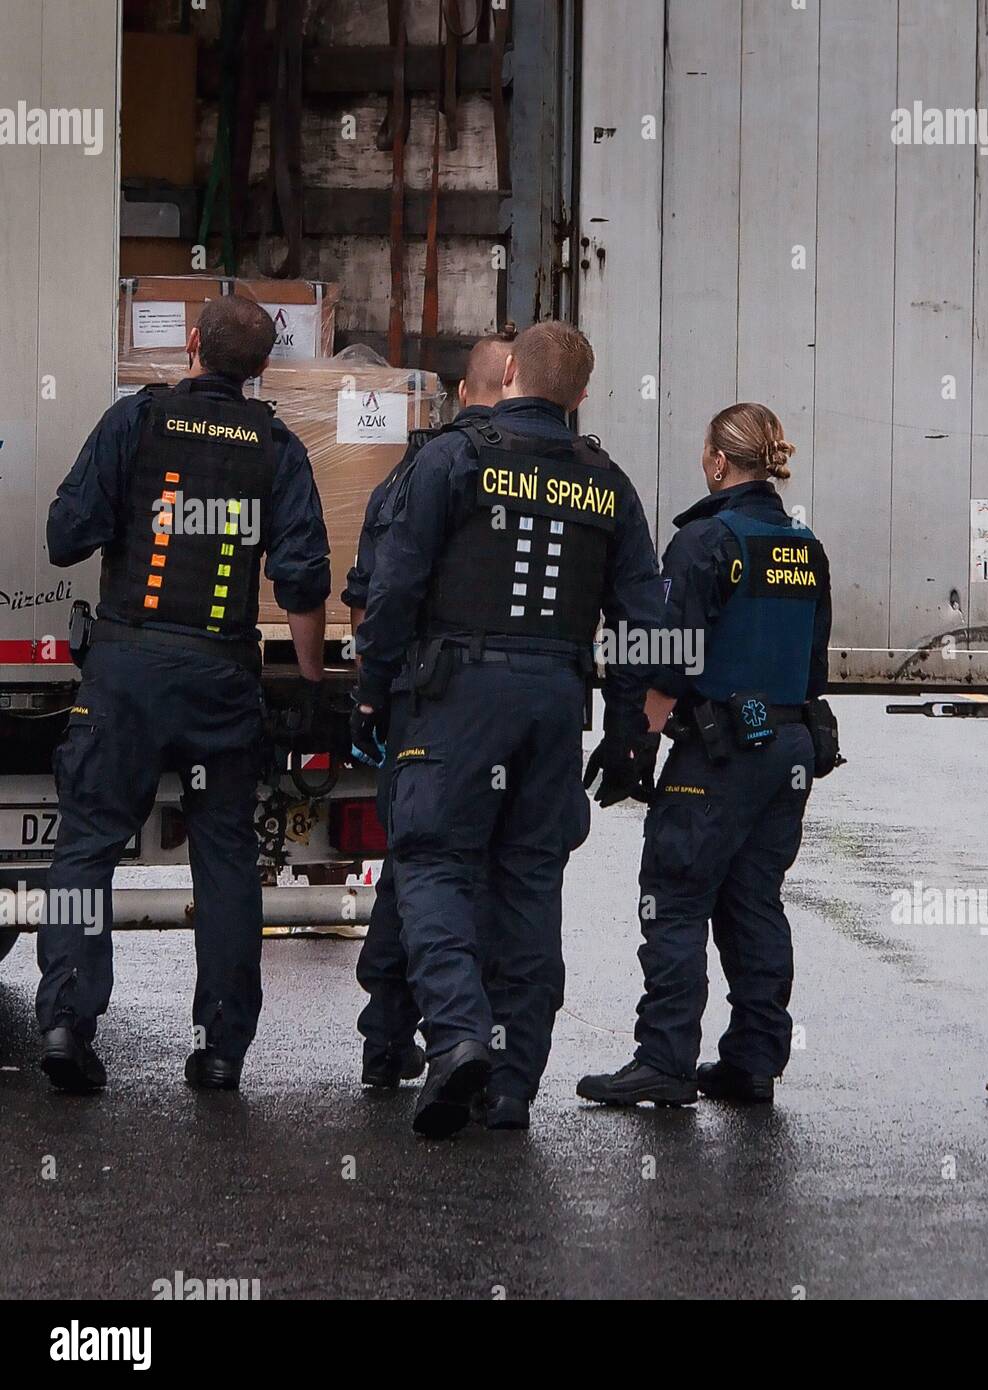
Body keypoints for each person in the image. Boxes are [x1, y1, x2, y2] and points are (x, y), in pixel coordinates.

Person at [353, 321, 664, 1137]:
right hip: (556, 702)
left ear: (512, 371)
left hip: (456, 694)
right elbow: (646, 623)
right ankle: (512, 1085)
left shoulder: (452, 460)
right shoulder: (607, 482)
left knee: (433, 864)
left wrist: (371, 688)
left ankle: (456, 1036)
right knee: (530, 883)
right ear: (583, 393)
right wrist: (632, 731)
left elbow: (394, 586)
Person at [37, 297, 330, 1093]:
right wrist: (308, 681)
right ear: (262, 367)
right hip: (220, 680)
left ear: (192, 344)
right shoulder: (277, 446)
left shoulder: (135, 423)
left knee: (88, 848)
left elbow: (68, 536)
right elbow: (302, 577)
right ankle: (223, 1049)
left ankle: (67, 1020)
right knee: (226, 862)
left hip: (127, 671)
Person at [577, 402, 834, 1108]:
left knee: (677, 900)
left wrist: (632, 741)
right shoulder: (804, 546)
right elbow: (813, 671)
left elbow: (667, 659)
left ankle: (664, 1059)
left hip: (717, 755)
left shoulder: (704, 542)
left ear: (719, 462)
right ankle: (753, 1061)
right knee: (755, 904)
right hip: (788, 752)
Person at [345, 330, 516, 1089]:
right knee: (466, 878)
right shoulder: (562, 474)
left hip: (428, 705)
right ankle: (473, 1046)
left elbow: (370, 595)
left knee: (416, 871)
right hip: (504, 712)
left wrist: (372, 695)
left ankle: (391, 1037)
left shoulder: (417, 474)